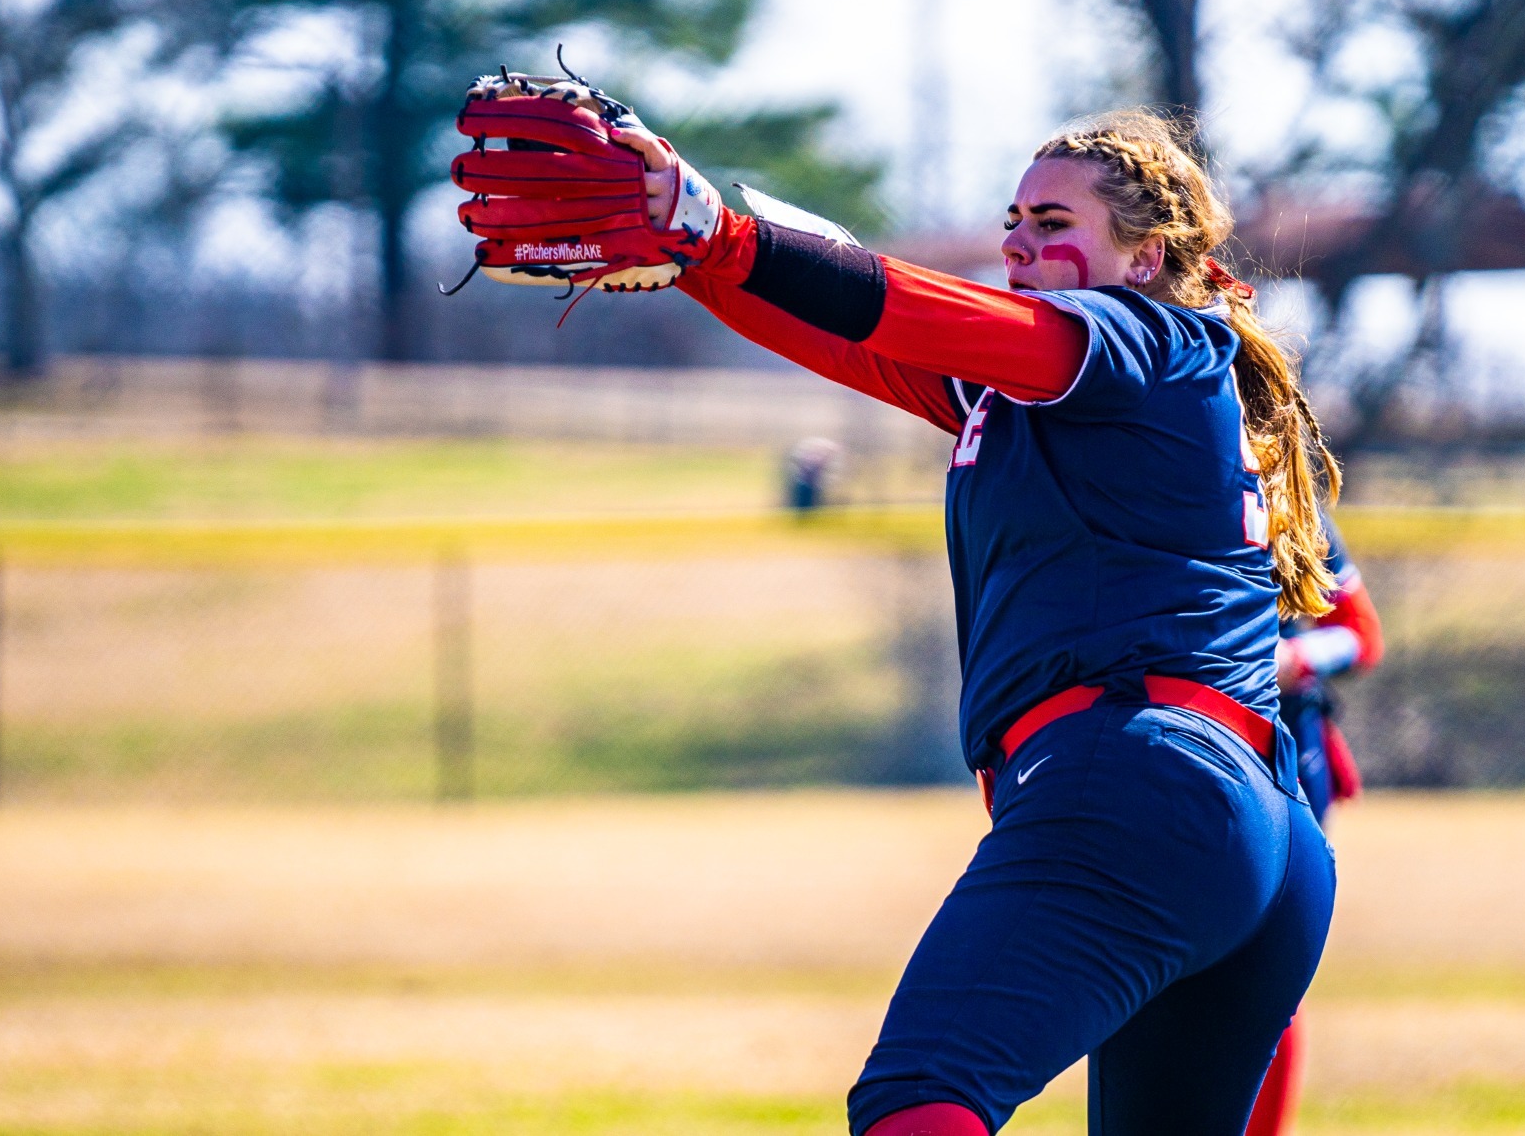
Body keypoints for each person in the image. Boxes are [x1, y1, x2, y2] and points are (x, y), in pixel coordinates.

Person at [453, 100, 1342, 1136]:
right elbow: (857, 342)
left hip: (1139, 787)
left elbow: (928, 315)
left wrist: (719, 229)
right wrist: (698, 259)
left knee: (918, 1101)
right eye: (1013, 215)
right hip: (1256, 830)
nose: (1017, 238)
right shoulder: (1077, 386)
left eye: (1053, 222)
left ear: (1144, 257)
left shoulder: (1135, 338)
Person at [1244, 514, 1383, 1136]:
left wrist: (1297, 653)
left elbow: (1361, 634)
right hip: (1173, 756)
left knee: (1269, 978)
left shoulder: (1287, 500)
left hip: (1287, 755)